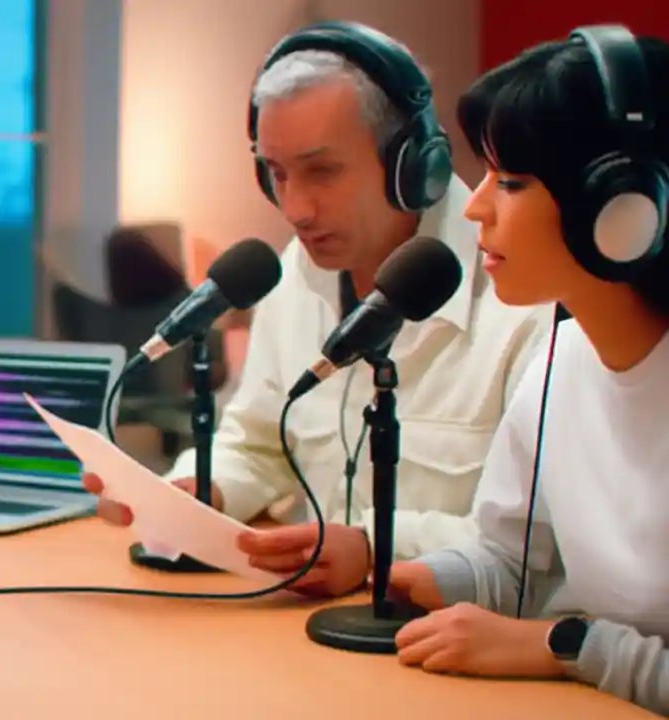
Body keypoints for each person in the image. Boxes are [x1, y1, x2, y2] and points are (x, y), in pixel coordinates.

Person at [84, 21, 552, 597]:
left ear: (414, 166)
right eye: (277, 174)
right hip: (301, 631)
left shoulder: (528, 301)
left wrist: (376, 547)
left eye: (322, 171)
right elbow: (256, 443)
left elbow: (538, 545)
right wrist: (201, 491)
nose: (296, 208)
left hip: (442, 638)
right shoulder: (295, 278)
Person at [387, 25, 669, 715]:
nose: (475, 206)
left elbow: (548, 630)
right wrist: (388, 571)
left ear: (622, 207)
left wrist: (564, 646)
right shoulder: (562, 359)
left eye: (509, 181)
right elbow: (512, 565)